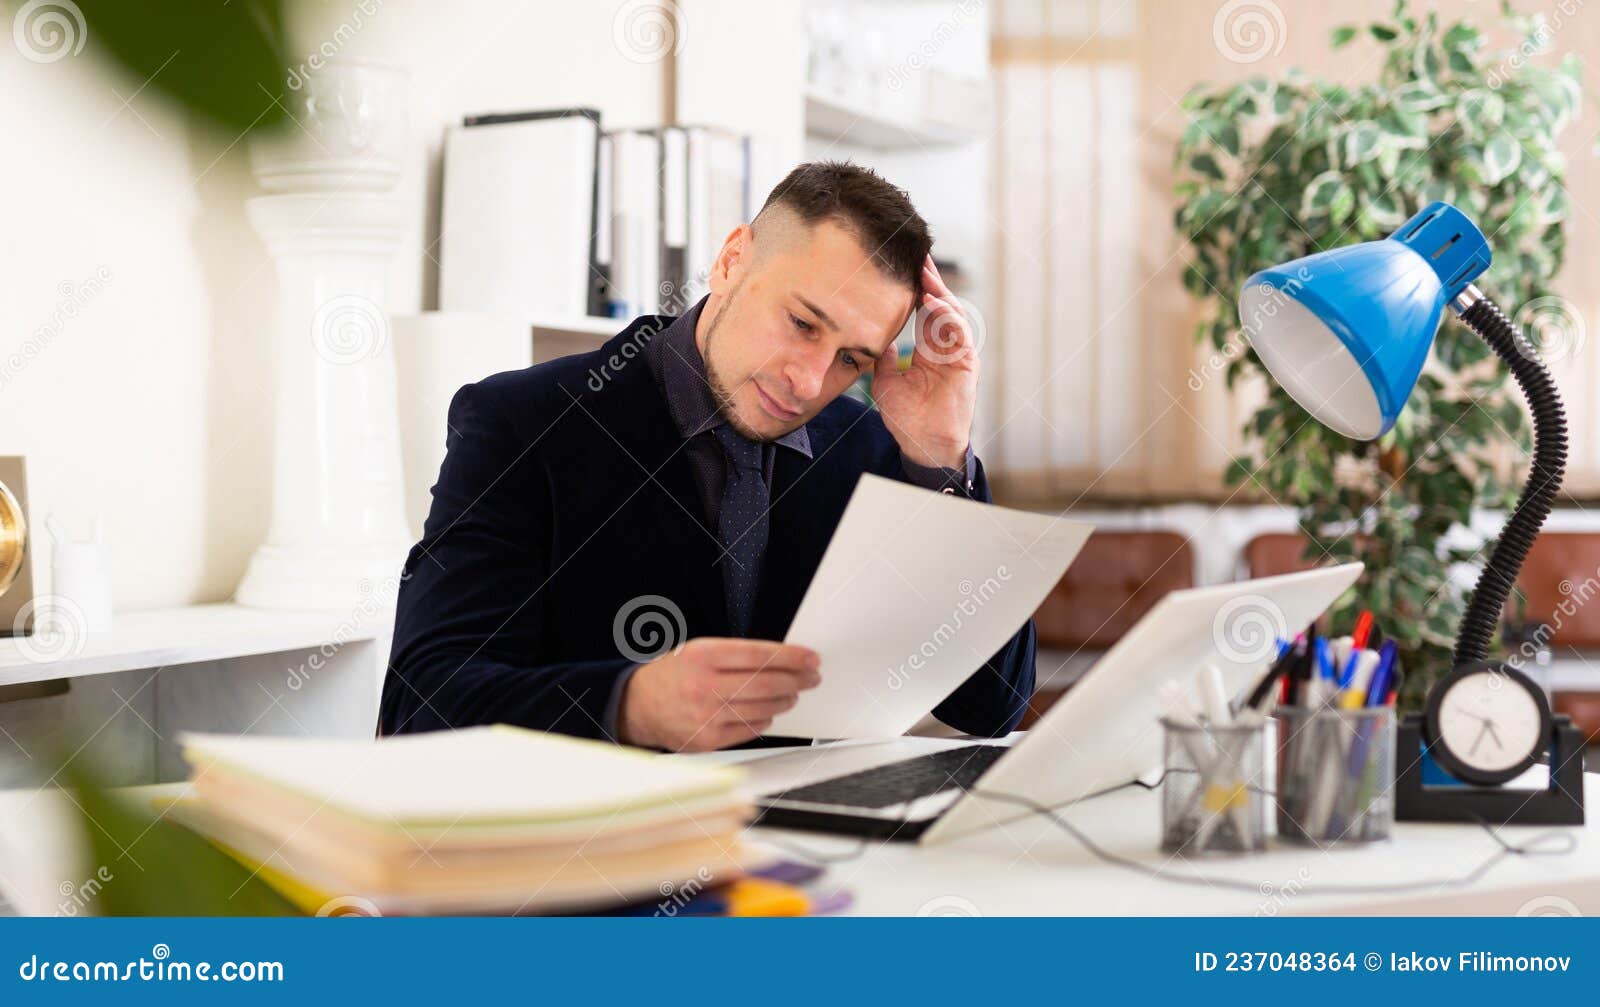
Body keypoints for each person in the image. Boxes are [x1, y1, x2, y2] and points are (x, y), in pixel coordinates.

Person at [380, 161, 1035, 751]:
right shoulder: (522, 422)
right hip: (593, 851)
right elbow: (424, 700)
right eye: (803, 323)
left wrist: (941, 455)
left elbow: (992, 705)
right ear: (730, 262)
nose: (809, 381)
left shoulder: (869, 448)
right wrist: (626, 705)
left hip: (800, 854)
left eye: (851, 359)